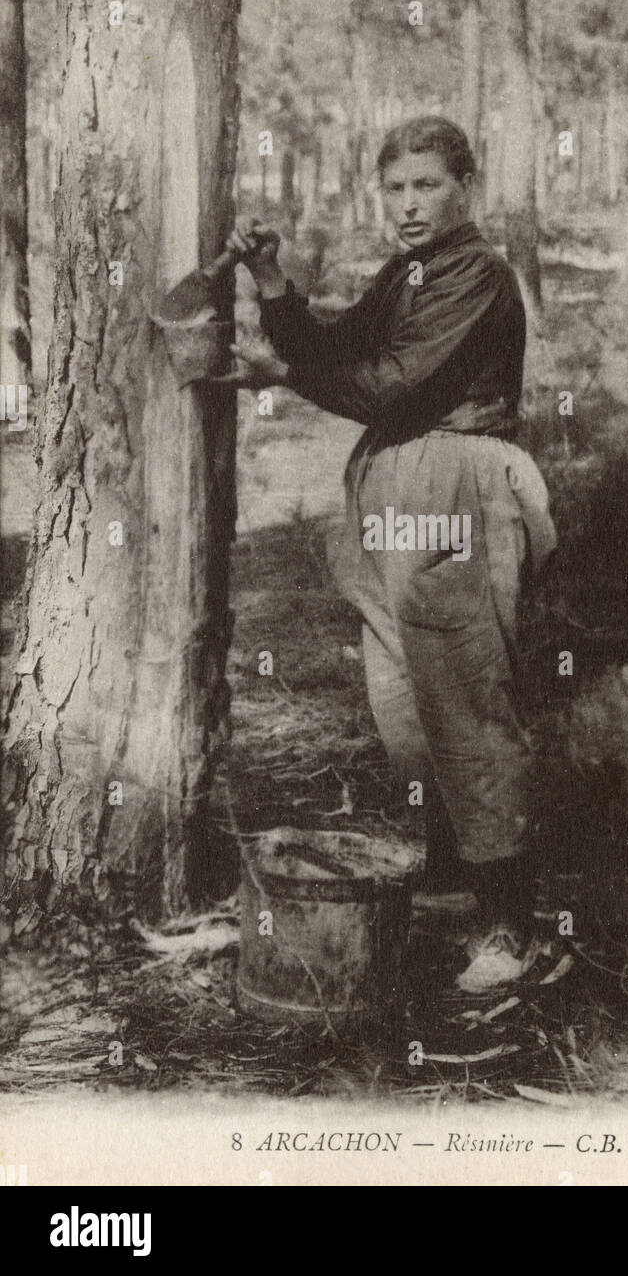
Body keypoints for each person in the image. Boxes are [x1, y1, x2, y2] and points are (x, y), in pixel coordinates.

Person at [215, 116, 556, 992]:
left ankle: (512, 929)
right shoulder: (412, 272)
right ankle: (458, 888)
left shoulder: (474, 275)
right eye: (396, 188)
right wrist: (271, 281)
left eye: (427, 185)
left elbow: (394, 384)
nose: (409, 205)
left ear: (463, 187)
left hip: (456, 490)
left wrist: (281, 376)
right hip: (396, 492)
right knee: (404, 705)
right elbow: (339, 346)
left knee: (467, 704)